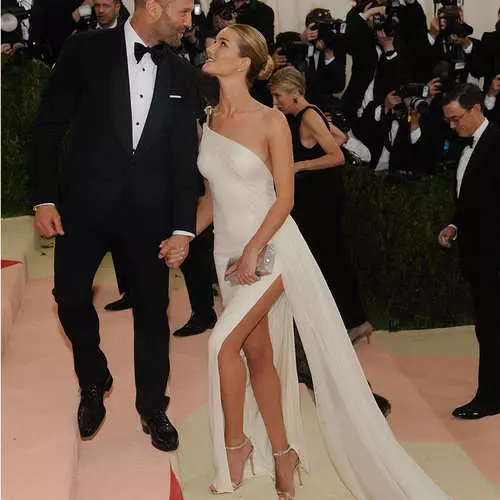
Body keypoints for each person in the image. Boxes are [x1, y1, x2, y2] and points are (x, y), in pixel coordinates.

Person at [161, 23, 449, 499]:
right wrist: (186, 235)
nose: (211, 47)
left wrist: (254, 250)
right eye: (214, 42)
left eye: (223, 44)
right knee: (258, 359)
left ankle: (234, 449)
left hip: (273, 251)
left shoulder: (271, 121)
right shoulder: (209, 119)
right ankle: (283, 454)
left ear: (244, 63)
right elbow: (214, 198)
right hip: (226, 254)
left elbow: (284, 199)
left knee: (219, 347)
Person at [29, 0, 200, 450]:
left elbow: (185, 158)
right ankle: (93, 376)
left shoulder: (183, 73)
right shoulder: (85, 50)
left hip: (149, 217)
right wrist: (44, 198)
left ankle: (152, 407)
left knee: (153, 313)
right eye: (183, 11)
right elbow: (48, 127)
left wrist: (184, 227)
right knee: (68, 296)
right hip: (83, 210)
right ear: (155, 6)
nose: (189, 21)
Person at [268, 66, 389, 416]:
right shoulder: (311, 113)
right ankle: (356, 322)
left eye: (278, 96)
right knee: (331, 260)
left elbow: (336, 156)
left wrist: (299, 166)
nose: (275, 102)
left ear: (293, 92)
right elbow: (336, 140)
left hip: (318, 202)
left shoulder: (307, 115)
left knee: (323, 262)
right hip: (316, 201)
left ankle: (340, 325)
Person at [438, 83, 500, 420]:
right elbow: (474, 201)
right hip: (478, 254)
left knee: (491, 328)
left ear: (476, 109)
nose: (452, 126)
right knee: (487, 326)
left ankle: (489, 398)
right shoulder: (470, 147)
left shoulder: (497, 144)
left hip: (493, 257)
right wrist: (455, 225)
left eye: (455, 118)